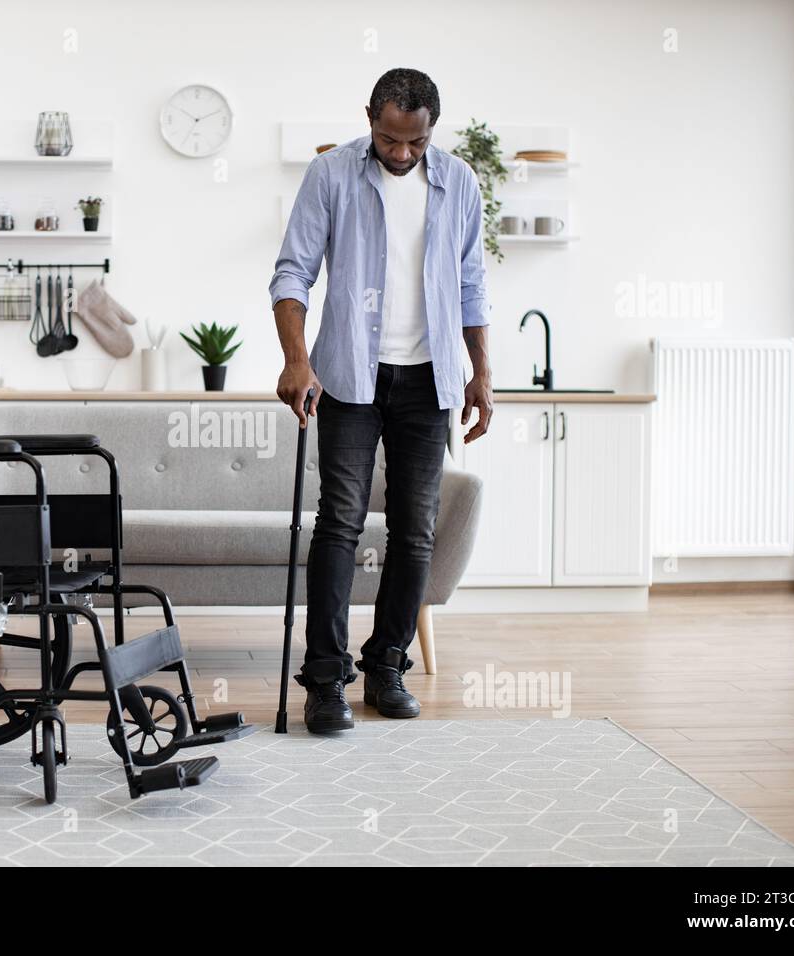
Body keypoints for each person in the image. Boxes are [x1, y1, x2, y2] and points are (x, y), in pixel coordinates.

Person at [269, 67, 493, 733]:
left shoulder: (459, 182)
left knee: (416, 528)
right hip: (348, 376)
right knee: (339, 521)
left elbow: (472, 284)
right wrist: (297, 358)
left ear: (431, 129)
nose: (401, 153)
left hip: (429, 379)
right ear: (370, 119)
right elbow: (293, 272)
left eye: (415, 142)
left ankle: (387, 665)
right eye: (389, 139)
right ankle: (325, 679)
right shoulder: (331, 175)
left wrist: (481, 372)